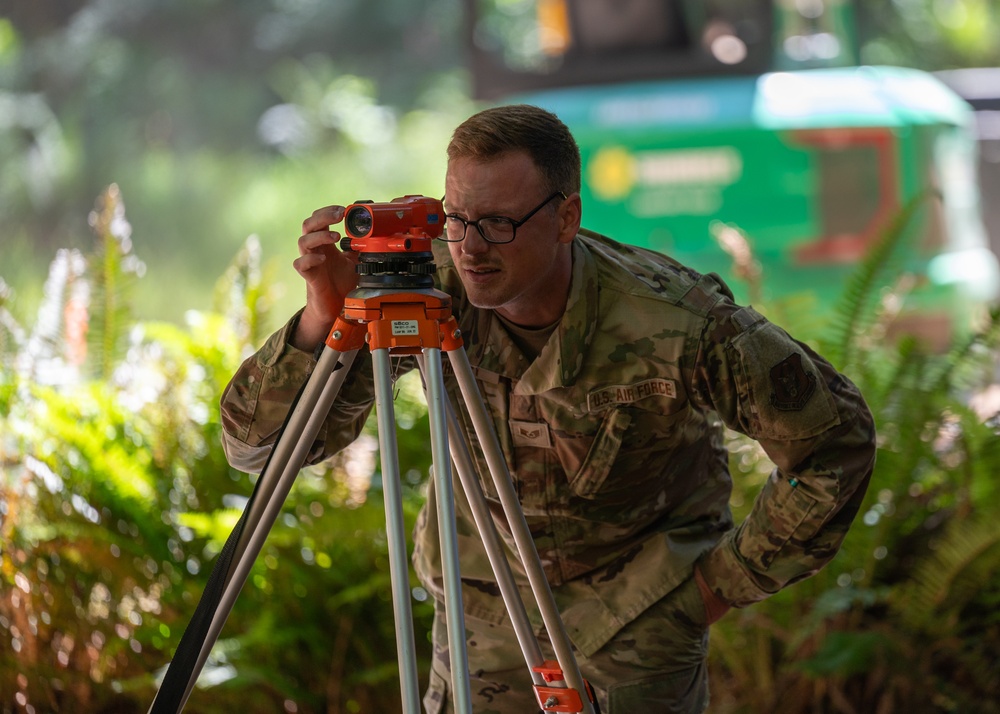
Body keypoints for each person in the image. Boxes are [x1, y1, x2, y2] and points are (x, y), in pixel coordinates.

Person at [220, 104, 876, 713]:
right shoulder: (423, 293)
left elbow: (833, 444)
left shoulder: (673, 320)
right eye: (455, 218)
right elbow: (259, 450)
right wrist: (320, 321)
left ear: (566, 217)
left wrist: (715, 587)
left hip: (634, 625)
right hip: (483, 622)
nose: (470, 247)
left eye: (498, 224)